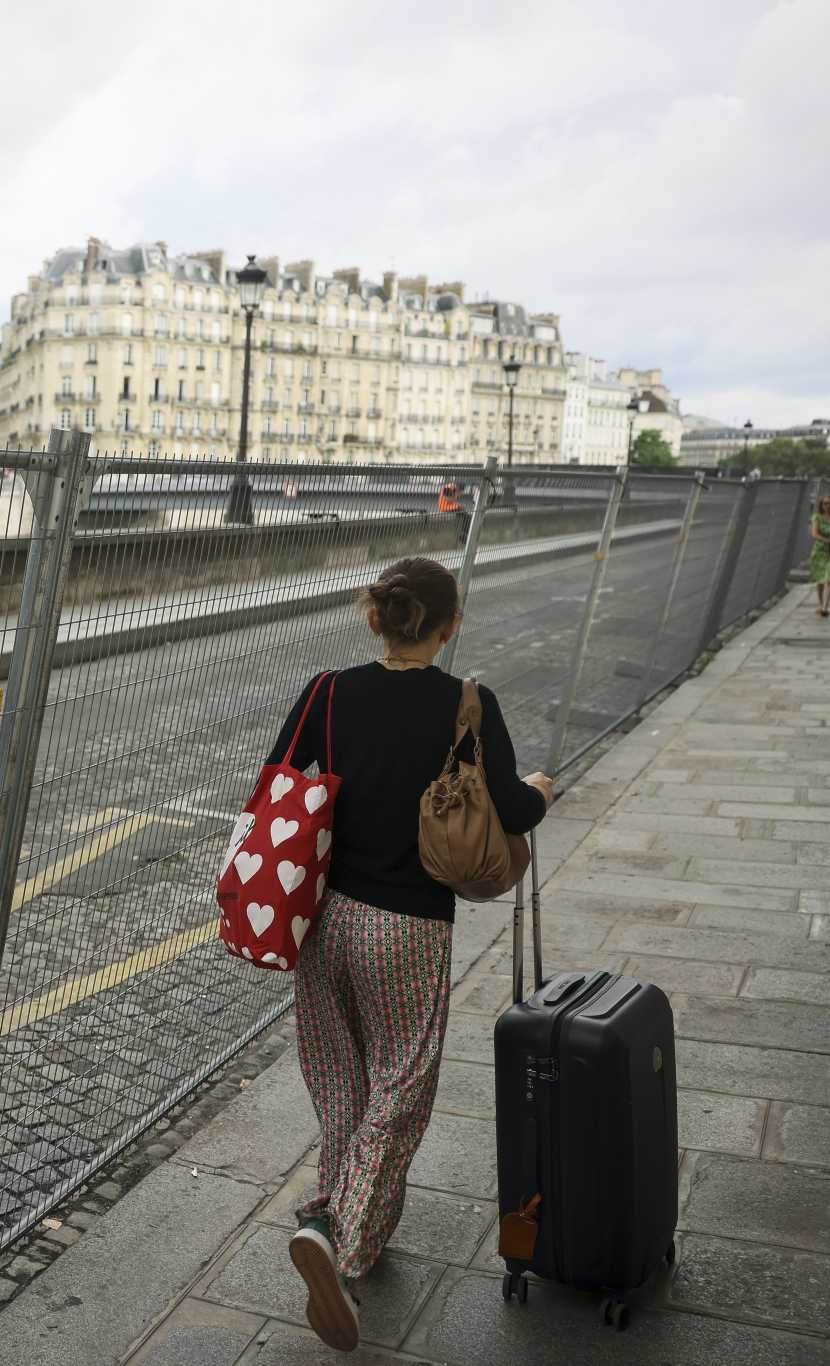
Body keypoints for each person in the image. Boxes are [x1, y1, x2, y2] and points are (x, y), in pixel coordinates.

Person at [265, 556, 552, 1352]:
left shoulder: (327, 691)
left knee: (339, 1070)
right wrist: (546, 788)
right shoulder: (466, 703)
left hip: (323, 919)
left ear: (375, 618)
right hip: (409, 927)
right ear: (450, 626)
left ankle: (341, 1205)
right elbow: (516, 803)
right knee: (402, 1079)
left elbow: (280, 780)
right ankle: (342, 1240)